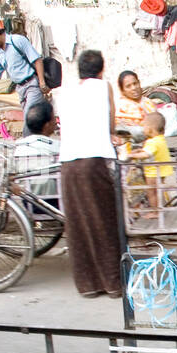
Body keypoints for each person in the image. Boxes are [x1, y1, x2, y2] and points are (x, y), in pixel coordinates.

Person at [52, 49, 123, 298]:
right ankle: (114, 284)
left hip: (69, 165)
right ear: (102, 69)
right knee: (105, 221)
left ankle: (88, 285)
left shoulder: (64, 91)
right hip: (94, 162)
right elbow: (111, 122)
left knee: (78, 224)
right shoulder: (104, 87)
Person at [0, 24, 49, 112]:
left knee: (30, 116)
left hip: (32, 84)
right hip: (20, 88)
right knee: (32, 119)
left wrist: (42, 82)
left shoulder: (17, 40)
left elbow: (37, 60)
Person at [124, 110, 174, 215]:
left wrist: (132, 155)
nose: (143, 130)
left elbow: (146, 154)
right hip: (162, 170)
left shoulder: (152, 142)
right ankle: (159, 209)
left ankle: (155, 212)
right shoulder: (160, 139)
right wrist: (139, 150)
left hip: (153, 172)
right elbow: (151, 151)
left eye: (144, 127)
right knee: (157, 191)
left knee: (152, 192)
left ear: (150, 129)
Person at [10, 99, 61, 200]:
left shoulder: (19, 147)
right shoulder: (56, 147)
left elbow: (10, 176)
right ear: (47, 125)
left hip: (29, 201)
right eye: (53, 118)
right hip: (54, 200)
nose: (55, 120)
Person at [113, 70, 157, 143]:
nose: (133, 88)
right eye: (128, 86)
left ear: (139, 83)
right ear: (122, 90)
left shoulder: (148, 102)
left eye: (135, 83)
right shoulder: (120, 106)